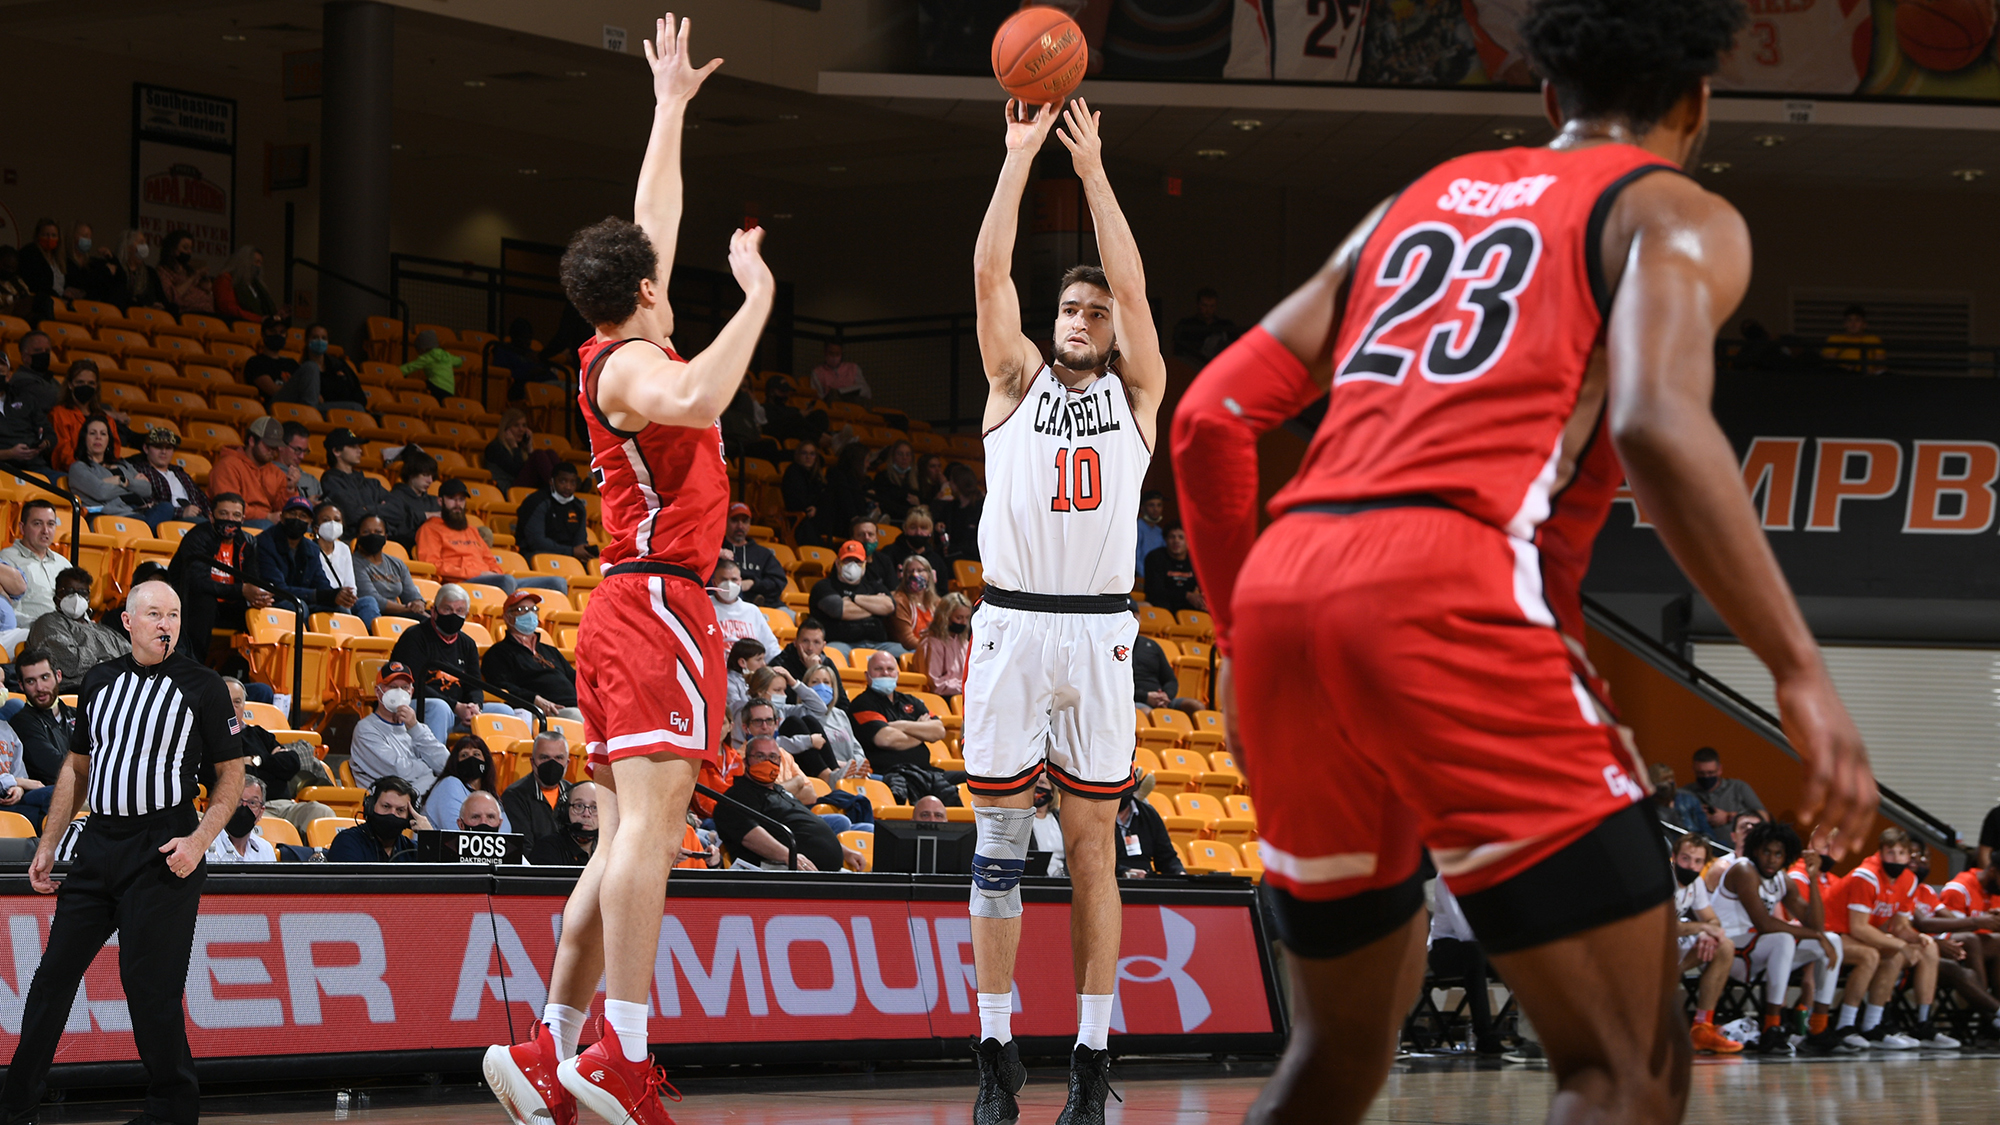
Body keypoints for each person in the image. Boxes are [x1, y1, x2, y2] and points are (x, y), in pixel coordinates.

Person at [1169, 3, 1877, 1119]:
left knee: (1333, 1060)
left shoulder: (1414, 202)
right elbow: (1654, 422)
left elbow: (1209, 418)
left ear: (1549, 98)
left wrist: (1233, 635)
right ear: (1697, 104)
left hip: (1286, 592)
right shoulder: (1668, 210)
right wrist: (1796, 667)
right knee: (1626, 1071)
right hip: (1448, 587)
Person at [483, 21, 777, 1125]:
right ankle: (624, 1054)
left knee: (618, 841)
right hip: (657, 601)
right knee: (653, 833)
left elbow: (655, 217)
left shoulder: (615, 342)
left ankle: (551, 1050)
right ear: (651, 291)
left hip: (625, 604)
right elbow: (700, 396)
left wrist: (669, 106)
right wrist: (757, 298)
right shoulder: (640, 368)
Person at [966, 94, 1167, 1123]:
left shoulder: (1137, 396)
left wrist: (1091, 173)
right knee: (999, 845)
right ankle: (995, 1046)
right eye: (1069, 310)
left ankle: (1090, 1055)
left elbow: (1132, 285)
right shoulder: (1013, 380)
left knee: (1093, 849)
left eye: (1094, 312)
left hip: (1096, 631)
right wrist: (1017, 158)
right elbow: (989, 274)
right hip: (1009, 623)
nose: (1081, 320)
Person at [0, 579, 243, 1125]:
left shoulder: (203, 685)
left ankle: (171, 1111)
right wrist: (49, 842)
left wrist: (199, 841)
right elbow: (77, 767)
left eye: (174, 614)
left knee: (150, 989)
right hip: (98, 844)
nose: (166, 624)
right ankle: (15, 1106)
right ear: (128, 622)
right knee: (52, 977)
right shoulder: (99, 680)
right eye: (154, 613)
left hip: (164, 847)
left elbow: (231, 774)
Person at [1712, 821, 1837, 1053]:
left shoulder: (1781, 880)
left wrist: (1813, 878)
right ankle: (1772, 1027)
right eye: (1766, 852)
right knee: (1783, 938)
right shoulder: (1744, 869)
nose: (1771, 859)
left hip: (1756, 953)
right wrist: (1818, 936)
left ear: (1786, 856)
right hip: (1725, 951)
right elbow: (1764, 923)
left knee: (1834, 940)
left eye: (1778, 854)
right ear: (1755, 850)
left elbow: (1816, 924)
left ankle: (1819, 1027)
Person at [1836, 827, 1954, 1048]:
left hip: (1856, 934)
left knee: (1926, 947)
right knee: (1872, 955)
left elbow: (1900, 927)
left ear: (1909, 856)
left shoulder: (1908, 880)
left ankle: (1890, 1024)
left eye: (1901, 853)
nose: (1896, 858)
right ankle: (1845, 1025)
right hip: (1831, 932)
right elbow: (1858, 928)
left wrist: (1917, 938)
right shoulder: (1867, 876)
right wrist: (1900, 943)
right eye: (1890, 852)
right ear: (1880, 853)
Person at [713, 737, 860, 872]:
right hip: (784, 871)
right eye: (760, 756)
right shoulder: (736, 796)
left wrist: (844, 851)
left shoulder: (780, 791)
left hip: (824, 871)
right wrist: (789, 856)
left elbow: (804, 825)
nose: (767, 762)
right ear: (746, 761)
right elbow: (749, 835)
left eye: (773, 757)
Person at [389, 585, 514, 742]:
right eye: (447, 609)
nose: (453, 615)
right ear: (434, 611)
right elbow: (411, 685)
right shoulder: (414, 637)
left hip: (458, 710)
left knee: (504, 711)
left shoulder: (468, 644)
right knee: (440, 707)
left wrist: (474, 706)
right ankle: (434, 758)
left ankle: (489, 758)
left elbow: (474, 685)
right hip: (418, 707)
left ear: (466, 615)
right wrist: (455, 706)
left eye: (459, 611)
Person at [417, 478, 569, 597]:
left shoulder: (471, 530)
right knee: (506, 580)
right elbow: (433, 565)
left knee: (558, 582)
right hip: (461, 583)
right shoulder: (430, 529)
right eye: (452, 499)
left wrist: (495, 573)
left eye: (461, 499)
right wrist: (477, 574)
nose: (457, 504)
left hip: (494, 580)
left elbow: (490, 560)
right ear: (440, 501)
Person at [165, 493, 271, 660]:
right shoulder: (197, 537)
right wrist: (242, 590)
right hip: (190, 602)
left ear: (243, 519)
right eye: (223, 514)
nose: (230, 519)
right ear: (211, 516)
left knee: (265, 611)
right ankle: (193, 662)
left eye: (236, 515)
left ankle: (249, 666)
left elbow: (252, 579)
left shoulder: (248, 541)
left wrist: (259, 596)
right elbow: (197, 582)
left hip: (229, 604)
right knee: (205, 602)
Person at [1666, 835, 1744, 1054]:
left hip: (1671, 946)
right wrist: (1703, 928)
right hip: (1647, 948)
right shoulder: (1664, 879)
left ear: (1704, 864)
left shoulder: (1696, 883)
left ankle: (1702, 1026)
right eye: (1685, 858)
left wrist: (1707, 933)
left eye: (1698, 861)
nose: (1691, 866)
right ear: (1674, 857)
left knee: (1724, 946)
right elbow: (1666, 926)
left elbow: (1712, 921)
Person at [846, 650, 953, 806]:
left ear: (897, 674)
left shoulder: (911, 701)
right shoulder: (862, 703)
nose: (885, 673)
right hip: (888, 773)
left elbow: (939, 731)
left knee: (969, 779)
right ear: (867, 676)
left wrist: (901, 725)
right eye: (878, 669)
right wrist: (922, 731)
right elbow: (887, 739)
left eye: (890, 669)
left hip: (926, 772)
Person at [1427, 878, 1504, 1055]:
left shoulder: (1486, 875)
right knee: (1474, 952)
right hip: (1443, 950)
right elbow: (1464, 931)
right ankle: (1484, 1035)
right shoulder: (1446, 878)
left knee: (1514, 954)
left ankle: (1533, 1036)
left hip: (1480, 946)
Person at [349, 661, 451, 794]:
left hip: (425, 794)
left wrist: (415, 728)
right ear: (378, 692)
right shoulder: (366, 729)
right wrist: (429, 767)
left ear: (411, 692)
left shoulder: (417, 728)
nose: (399, 692)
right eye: (392, 687)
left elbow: (446, 765)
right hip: (392, 800)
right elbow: (398, 773)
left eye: (404, 687)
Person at [483, 590, 584, 721]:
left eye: (534, 609)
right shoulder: (498, 653)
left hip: (578, 706)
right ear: (507, 617)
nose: (530, 614)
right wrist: (535, 699)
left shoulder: (550, 650)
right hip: (545, 710)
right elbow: (502, 687)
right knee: (582, 720)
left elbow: (576, 679)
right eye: (522, 609)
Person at [23, 567, 128, 684]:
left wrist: (100, 661)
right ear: (56, 598)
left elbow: (133, 658)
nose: (76, 597)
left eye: (83, 592)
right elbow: (71, 663)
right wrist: (111, 663)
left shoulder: (104, 631)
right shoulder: (48, 623)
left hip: (117, 685)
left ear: (89, 599)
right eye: (69, 591)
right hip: (80, 688)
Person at [247, 497, 343, 620]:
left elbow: (321, 582)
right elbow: (276, 589)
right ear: (282, 517)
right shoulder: (265, 542)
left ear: (309, 523)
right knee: (299, 607)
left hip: (303, 599)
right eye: (292, 514)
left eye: (303, 516)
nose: (297, 519)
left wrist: (334, 596)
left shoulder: (312, 549)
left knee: (340, 608)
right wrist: (316, 595)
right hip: (273, 601)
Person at [809, 540, 896, 655]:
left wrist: (854, 598)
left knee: (909, 654)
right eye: (847, 560)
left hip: (878, 645)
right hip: (841, 644)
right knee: (832, 654)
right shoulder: (824, 586)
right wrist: (875, 608)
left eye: (857, 561)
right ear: (837, 563)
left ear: (864, 564)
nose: (852, 565)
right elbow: (840, 610)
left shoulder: (874, 586)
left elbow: (889, 606)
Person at [208, 415, 295, 528]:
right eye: (269, 446)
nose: (273, 451)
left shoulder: (276, 473)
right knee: (266, 526)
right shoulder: (227, 465)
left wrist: (290, 489)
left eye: (276, 447)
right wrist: (266, 516)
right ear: (252, 440)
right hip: (237, 523)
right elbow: (229, 507)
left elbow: (285, 510)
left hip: (267, 523)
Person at [306, 499, 378, 627]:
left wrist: (349, 598)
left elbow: (351, 585)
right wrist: (337, 597)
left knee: (369, 602)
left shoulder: (344, 548)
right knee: (341, 606)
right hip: (323, 599)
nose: (332, 524)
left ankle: (373, 637)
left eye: (337, 520)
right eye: (326, 520)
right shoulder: (308, 549)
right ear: (316, 528)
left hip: (344, 599)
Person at [501, 731, 574, 858]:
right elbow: (524, 847)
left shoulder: (574, 794)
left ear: (567, 763)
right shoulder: (515, 796)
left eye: (558, 758)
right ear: (532, 761)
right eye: (544, 757)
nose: (552, 764)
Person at [423, 734, 514, 836]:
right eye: (464, 755)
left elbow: (506, 830)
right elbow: (457, 831)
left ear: (486, 761)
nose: (471, 759)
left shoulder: (489, 794)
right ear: (455, 763)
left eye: (476, 754)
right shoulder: (449, 784)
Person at [327, 775, 432, 861]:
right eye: (386, 806)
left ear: (409, 816)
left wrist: (430, 837)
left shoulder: (412, 850)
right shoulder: (347, 842)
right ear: (370, 806)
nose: (392, 814)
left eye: (400, 810)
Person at [1684, 747, 1770, 847]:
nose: (1706, 777)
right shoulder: (1686, 794)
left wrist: (1728, 817)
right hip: (1699, 850)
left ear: (1719, 769)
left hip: (1737, 850)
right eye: (1701, 773)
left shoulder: (1738, 787)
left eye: (1711, 772)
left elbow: (1764, 818)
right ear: (1694, 770)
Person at [10, 652, 74, 786]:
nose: (39, 688)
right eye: (30, 681)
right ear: (21, 685)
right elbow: (56, 768)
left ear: (58, 676)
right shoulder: (22, 722)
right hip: (56, 792)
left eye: (45, 677)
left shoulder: (79, 714)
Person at [1, 500, 64, 630]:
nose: (45, 531)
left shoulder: (63, 563)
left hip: (66, 631)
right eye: (37, 524)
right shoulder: (7, 559)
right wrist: (42, 625)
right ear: (22, 528)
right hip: (31, 633)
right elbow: (9, 612)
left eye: (51, 524)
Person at [352, 513, 429, 620]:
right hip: (375, 614)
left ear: (386, 537)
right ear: (358, 536)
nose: (372, 535)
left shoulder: (397, 564)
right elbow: (373, 599)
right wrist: (409, 609)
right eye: (366, 532)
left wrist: (418, 604)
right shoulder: (354, 562)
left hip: (401, 613)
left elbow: (412, 595)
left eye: (378, 532)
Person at [516, 462, 594, 565]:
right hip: (536, 554)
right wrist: (571, 551)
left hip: (569, 556)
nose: (568, 487)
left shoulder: (578, 507)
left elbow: (580, 541)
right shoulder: (536, 502)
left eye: (573, 482)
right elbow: (536, 542)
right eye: (563, 481)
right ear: (551, 481)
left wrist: (583, 551)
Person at [130, 428, 209, 527]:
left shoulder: (181, 473)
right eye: (158, 447)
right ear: (146, 448)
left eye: (168, 448)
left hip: (198, 519)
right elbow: (146, 506)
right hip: (168, 522)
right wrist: (181, 512)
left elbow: (202, 499)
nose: (163, 452)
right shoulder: (139, 471)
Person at [68, 416, 146, 516]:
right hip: (111, 516)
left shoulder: (121, 464)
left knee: (163, 508)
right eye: (93, 433)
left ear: (108, 440)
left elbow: (147, 489)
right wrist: (132, 485)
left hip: (138, 510)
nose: (98, 437)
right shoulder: (78, 468)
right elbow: (101, 492)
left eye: (103, 434)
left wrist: (122, 482)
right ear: (84, 439)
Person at [288, 322, 369, 411]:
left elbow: (359, 395)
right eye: (315, 337)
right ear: (307, 341)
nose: (320, 341)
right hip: (317, 410)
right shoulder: (302, 369)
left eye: (323, 338)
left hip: (345, 409)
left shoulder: (339, 365)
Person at [709, 559, 781, 658]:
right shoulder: (704, 606)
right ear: (714, 582)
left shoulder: (752, 611)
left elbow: (771, 648)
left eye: (734, 580)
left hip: (748, 666)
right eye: (724, 580)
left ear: (740, 581)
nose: (729, 584)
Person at [718, 502, 785, 606]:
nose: (740, 526)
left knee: (790, 614)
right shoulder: (717, 551)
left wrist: (753, 583)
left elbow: (778, 583)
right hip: (727, 605)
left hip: (767, 605)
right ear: (725, 522)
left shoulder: (763, 554)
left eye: (745, 521)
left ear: (749, 524)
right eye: (734, 520)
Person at [320, 428, 388, 529]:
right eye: (353, 446)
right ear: (336, 451)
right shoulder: (331, 481)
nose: (360, 450)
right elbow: (352, 515)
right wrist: (380, 509)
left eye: (358, 446)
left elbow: (396, 509)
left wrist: (367, 509)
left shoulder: (372, 483)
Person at [775, 617, 848, 705]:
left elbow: (843, 703)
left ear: (823, 645)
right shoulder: (780, 664)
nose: (810, 648)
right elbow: (789, 702)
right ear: (795, 642)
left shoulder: (827, 663)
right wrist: (812, 672)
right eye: (805, 641)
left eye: (816, 642)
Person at [205, 777, 279, 864]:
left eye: (252, 803)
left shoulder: (265, 850)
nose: (244, 807)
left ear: (261, 812)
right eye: (238, 800)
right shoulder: (204, 845)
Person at [913, 593, 973, 698]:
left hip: (964, 695)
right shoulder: (931, 644)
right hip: (941, 698)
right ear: (945, 617)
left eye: (967, 618)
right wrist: (966, 686)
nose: (964, 622)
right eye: (959, 618)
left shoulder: (963, 642)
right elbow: (935, 685)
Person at [1113, 790, 1184, 878]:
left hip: (1145, 879)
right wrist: (1124, 872)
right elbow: (1097, 860)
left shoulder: (1149, 814)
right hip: (1110, 880)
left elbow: (1166, 857)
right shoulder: (1099, 816)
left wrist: (1180, 873)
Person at [530, 782, 603, 865]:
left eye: (594, 807)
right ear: (565, 810)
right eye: (579, 806)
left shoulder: (610, 850)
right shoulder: (547, 849)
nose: (586, 814)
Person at [0, 714, 52, 831]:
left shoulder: (5, 728)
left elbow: (19, 772)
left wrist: (19, 788)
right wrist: (16, 781)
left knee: (56, 794)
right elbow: (20, 780)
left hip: (9, 799)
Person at [381, 453, 442, 549]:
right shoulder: (395, 498)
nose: (430, 480)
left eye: (432, 476)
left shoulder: (434, 501)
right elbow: (396, 530)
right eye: (425, 475)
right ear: (411, 473)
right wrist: (425, 516)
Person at [1142, 522, 1205, 613]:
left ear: (1189, 540)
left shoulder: (1195, 561)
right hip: (1162, 605)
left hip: (1189, 607)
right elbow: (1155, 591)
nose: (1176, 541)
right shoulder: (1155, 557)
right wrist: (1186, 595)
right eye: (1172, 537)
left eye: (1181, 537)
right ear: (1165, 540)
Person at [491, 317, 559, 401]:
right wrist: (529, 372)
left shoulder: (531, 353)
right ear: (515, 337)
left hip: (545, 386)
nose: (528, 342)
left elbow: (550, 375)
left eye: (530, 338)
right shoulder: (503, 351)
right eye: (525, 338)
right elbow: (503, 375)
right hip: (523, 389)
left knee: (567, 388)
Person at [1171, 287, 1239, 367]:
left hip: (1219, 366)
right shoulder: (1186, 325)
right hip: (1192, 367)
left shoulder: (1225, 326)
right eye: (1204, 305)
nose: (1208, 310)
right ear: (1198, 305)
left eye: (1212, 306)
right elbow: (1178, 352)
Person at [881, 505, 947, 585]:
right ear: (905, 529)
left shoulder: (936, 560)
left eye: (923, 528)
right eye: (913, 528)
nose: (918, 532)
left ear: (930, 531)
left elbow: (943, 590)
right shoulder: (889, 554)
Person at [154, 230, 214, 315]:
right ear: (172, 249)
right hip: (188, 315)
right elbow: (171, 296)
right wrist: (193, 277)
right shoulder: (163, 271)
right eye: (185, 248)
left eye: (190, 248)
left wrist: (208, 289)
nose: (189, 252)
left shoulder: (189, 270)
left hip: (208, 314)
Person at [890, 555, 942, 652]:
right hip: (913, 650)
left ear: (929, 575)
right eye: (910, 571)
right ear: (904, 576)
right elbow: (908, 641)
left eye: (920, 570)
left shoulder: (937, 602)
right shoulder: (900, 601)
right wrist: (935, 648)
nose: (915, 574)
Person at [781, 441, 831, 544]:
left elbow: (823, 499)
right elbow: (795, 500)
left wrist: (816, 508)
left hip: (815, 516)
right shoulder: (792, 472)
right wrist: (811, 508)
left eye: (812, 454)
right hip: (798, 516)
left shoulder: (817, 476)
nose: (808, 457)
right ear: (798, 455)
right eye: (804, 453)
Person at [215, 246, 280, 321]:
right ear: (244, 261)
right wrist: (258, 319)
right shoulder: (226, 279)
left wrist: (277, 315)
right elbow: (228, 308)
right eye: (256, 262)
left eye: (260, 263)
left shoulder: (256, 285)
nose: (259, 266)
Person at [243, 315, 298, 403]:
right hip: (272, 406)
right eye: (273, 331)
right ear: (263, 334)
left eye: (282, 332)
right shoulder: (255, 362)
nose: (278, 335)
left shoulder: (292, 364)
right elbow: (275, 391)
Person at [1821, 304, 1886, 375]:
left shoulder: (1873, 340)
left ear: (1864, 325)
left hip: (1867, 376)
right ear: (1844, 324)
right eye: (1849, 320)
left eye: (1857, 320)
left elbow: (1880, 365)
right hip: (1842, 376)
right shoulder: (1834, 339)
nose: (1853, 324)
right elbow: (1830, 363)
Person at [402, 328, 464, 402]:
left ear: (422, 349)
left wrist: (396, 372)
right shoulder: (447, 356)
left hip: (435, 385)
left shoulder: (426, 357)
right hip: (449, 390)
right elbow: (459, 362)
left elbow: (410, 367)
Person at [485, 409, 538, 494]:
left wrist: (530, 448)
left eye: (524, 425)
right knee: (539, 455)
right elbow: (517, 472)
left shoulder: (521, 448)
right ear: (506, 429)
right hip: (509, 490)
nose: (521, 429)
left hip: (523, 488)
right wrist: (514, 447)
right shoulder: (495, 447)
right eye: (516, 425)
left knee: (550, 453)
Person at [940, 462, 984, 565]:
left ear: (957, 484)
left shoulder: (981, 507)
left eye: (951, 481)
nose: (949, 484)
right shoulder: (951, 507)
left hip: (974, 559)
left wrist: (956, 548)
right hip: (953, 558)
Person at [1649, 762, 1707, 837]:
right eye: (1664, 779)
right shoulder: (1648, 807)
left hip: (1693, 840)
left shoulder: (1688, 799)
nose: (1670, 782)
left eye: (1671, 778)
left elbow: (1705, 829)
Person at [873, 441, 922, 522]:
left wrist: (918, 504)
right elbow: (885, 505)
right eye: (900, 454)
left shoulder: (917, 478)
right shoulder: (882, 477)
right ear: (893, 457)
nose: (904, 458)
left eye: (908, 454)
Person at [1028, 775, 1066, 877]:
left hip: (1063, 879)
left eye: (1042, 783)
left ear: (1052, 791)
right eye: (1033, 783)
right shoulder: (1020, 820)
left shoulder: (1061, 818)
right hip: (1035, 880)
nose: (1037, 787)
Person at [278, 422, 322, 503]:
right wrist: (307, 504)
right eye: (297, 450)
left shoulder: (311, 480)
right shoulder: (267, 474)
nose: (302, 456)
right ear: (281, 445)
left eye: (305, 451)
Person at [1134, 491, 1167, 578]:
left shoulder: (1159, 531)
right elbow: (1134, 557)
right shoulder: (1136, 528)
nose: (1155, 509)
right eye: (1151, 505)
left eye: (1159, 505)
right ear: (1142, 507)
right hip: (1139, 577)